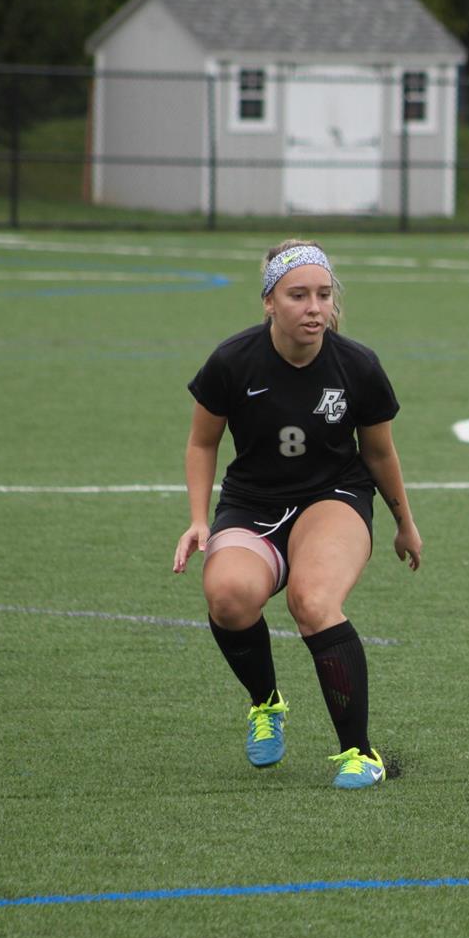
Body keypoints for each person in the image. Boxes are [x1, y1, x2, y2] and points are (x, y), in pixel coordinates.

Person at [173, 240, 422, 790]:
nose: (315, 307)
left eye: (324, 295)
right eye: (298, 295)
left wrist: (404, 522)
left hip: (333, 497)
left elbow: (379, 452)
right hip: (252, 502)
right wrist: (198, 519)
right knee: (229, 596)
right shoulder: (232, 362)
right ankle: (266, 704)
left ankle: (360, 754)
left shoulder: (357, 365)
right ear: (269, 302)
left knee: (312, 601)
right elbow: (200, 443)